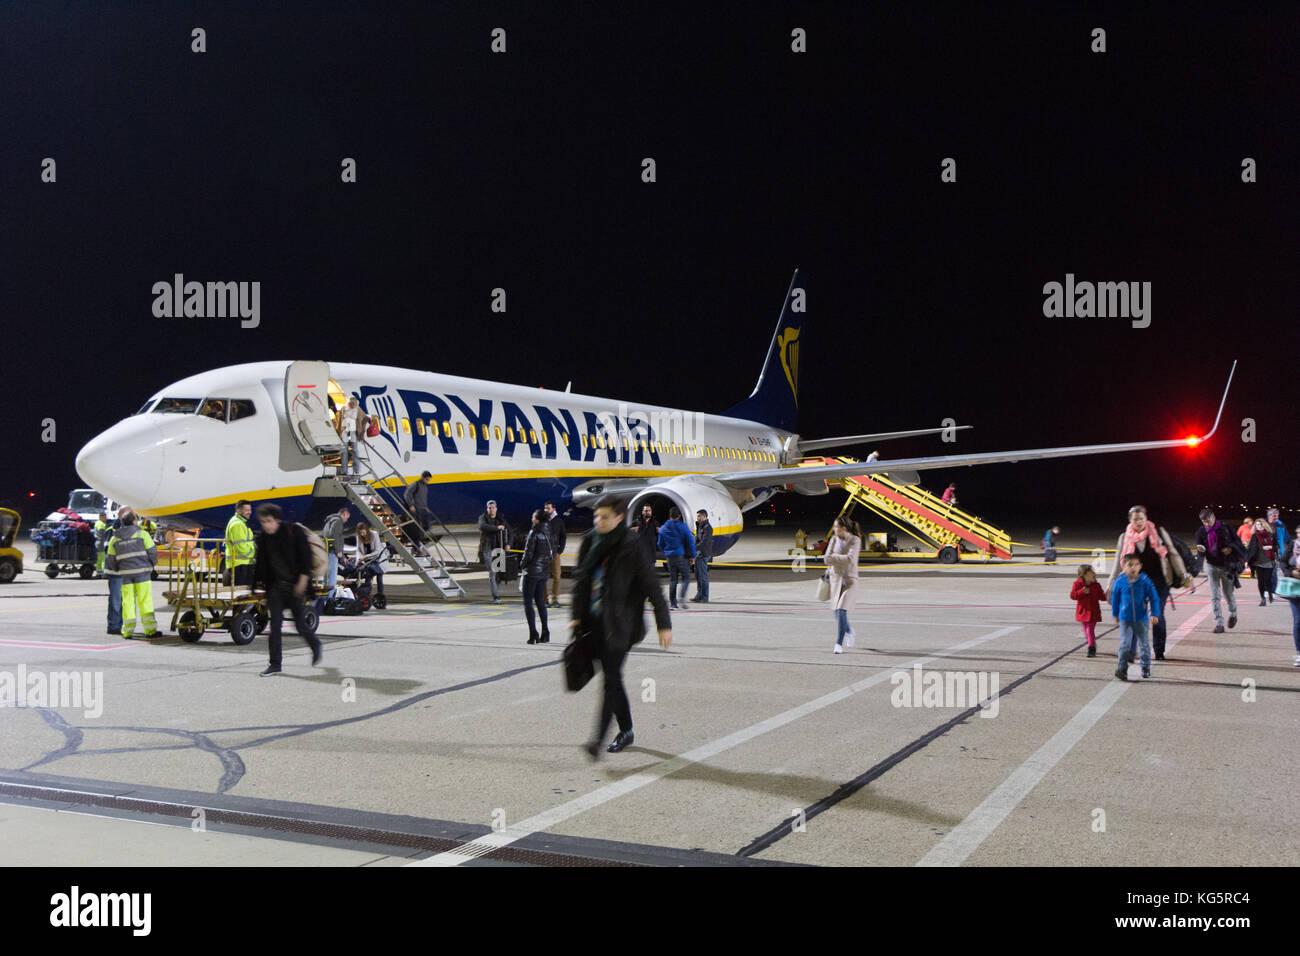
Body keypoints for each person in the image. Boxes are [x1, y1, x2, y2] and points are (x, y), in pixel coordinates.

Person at [569, 496, 672, 757]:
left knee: (610, 680)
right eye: (596, 516)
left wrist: (664, 624)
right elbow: (581, 582)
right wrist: (576, 616)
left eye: (604, 517)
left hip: (621, 624)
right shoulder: (590, 541)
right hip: (594, 622)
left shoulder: (631, 545)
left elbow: (652, 586)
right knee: (612, 680)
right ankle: (626, 729)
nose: (598, 521)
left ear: (618, 518)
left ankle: (597, 740)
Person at [1105, 505, 1187, 661]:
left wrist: (1183, 574)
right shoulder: (1125, 537)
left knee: (1158, 615)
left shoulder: (1158, 533)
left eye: (1141, 518)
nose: (1139, 522)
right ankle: (1131, 651)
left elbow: (1173, 553)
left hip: (1159, 581)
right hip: (1135, 583)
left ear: (1146, 518)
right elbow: (1118, 562)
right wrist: (1111, 582)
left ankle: (1159, 650)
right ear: (1130, 520)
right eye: (1135, 519)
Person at [252, 503, 322, 676]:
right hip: (275, 588)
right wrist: (255, 586)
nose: (266, 525)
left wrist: (303, 580)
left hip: (294, 586)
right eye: (263, 522)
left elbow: (305, 557)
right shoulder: (263, 539)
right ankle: (275, 664)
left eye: (269, 521)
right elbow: (260, 564)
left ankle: (315, 645)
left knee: (299, 625)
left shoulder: (293, 532)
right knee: (275, 626)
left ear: (277, 520)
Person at [105, 507, 158, 638]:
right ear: (134, 521)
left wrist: (118, 569)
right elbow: (152, 552)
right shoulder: (142, 534)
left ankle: (127, 631)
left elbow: (110, 558)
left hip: (126, 575)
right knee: (145, 601)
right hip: (142, 573)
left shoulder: (115, 538)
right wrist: (151, 564)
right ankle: (150, 630)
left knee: (128, 602)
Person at [1111, 552, 1161, 680]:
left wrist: (1155, 613)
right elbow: (1115, 598)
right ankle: (1122, 668)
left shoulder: (1145, 581)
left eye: (1136, 565)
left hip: (1141, 619)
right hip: (1125, 619)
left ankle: (1145, 667)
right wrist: (1115, 613)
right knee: (1124, 645)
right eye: (1130, 565)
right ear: (1123, 566)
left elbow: (1154, 598)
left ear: (1140, 566)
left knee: (1143, 644)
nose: (1133, 568)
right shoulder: (1120, 582)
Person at [1194, 509, 1245, 634]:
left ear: (1214, 517)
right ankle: (1219, 624)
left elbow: (1238, 543)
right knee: (1215, 595)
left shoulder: (1226, 528)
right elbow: (1200, 549)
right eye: (1204, 522)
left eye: (1208, 521)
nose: (1207, 524)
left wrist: (1230, 549)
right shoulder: (1200, 532)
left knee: (1228, 594)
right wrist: (1200, 551)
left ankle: (1233, 614)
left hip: (1227, 566)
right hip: (1211, 566)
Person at [824, 516, 861, 654]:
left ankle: (838, 644)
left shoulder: (855, 540)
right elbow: (826, 559)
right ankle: (849, 631)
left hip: (850, 581)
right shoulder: (833, 540)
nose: (834, 530)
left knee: (841, 609)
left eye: (836, 527)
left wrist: (834, 558)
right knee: (836, 612)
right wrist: (837, 559)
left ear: (843, 529)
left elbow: (851, 560)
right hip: (836, 580)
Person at [520, 509, 554, 644]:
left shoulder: (534, 532)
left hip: (533, 571)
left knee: (528, 602)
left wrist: (522, 565)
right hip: (544, 571)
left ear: (537, 520)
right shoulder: (548, 531)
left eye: (533, 517)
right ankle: (546, 631)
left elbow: (528, 553)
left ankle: (533, 632)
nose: (531, 518)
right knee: (540, 601)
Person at [657, 507, 696, 610]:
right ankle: (682, 597)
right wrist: (693, 556)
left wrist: (666, 552)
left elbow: (660, 544)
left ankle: (673, 604)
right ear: (679, 516)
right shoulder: (683, 527)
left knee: (673, 580)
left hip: (669, 557)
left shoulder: (664, 528)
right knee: (686, 578)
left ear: (669, 515)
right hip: (681, 556)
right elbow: (690, 541)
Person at [1070, 564, 1107, 658]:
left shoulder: (1096, 585)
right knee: (1086, 630)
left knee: (1089, 629)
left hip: (1093, 611)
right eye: (1091, 571)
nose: (1094, 573)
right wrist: (1082, 592)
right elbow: (1073, 596)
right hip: (1083, 611)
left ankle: (1091, 648)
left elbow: (1102, 597)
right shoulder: (1078, 584)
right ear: (1084, 575)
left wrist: (1110, 594)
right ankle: (1092, 642)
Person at [477, 500, 510, 602]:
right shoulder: (483, 518)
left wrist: (508, 543)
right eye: (489, 508)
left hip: (498, 548)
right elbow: (483, 526)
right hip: (487, 548)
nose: (491, 509)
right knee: (492, 572)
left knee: (499, 573)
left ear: (496, 508)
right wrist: (497, 528)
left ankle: (496, 591)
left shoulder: (501, 518)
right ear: (487, 509)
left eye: (493, 507)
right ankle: (496, 596)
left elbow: (508, 530)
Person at [224, 500, 256, 589]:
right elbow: (242, 549)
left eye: (250, 510)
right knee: (240, 594)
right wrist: (255, 553)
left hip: (242, 564)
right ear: (238, 511)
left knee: (244, 594)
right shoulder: (237, 524)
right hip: (239, 565)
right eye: (247, 510)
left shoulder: (240, 522)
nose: (249, 512)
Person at [1245, 517, 1277, 606]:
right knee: (1260, 581)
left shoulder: (1270, 535)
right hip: (1258, 561)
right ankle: (1263, 598)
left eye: (1261, 524)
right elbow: (1250, 549)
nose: (1259, 526)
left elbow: (1276, 546)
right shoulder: (1254, 536)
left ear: (1264, 525)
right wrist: (1247, 559)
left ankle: (1270, 594)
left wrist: (1271, 547)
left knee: (1268, 580)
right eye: (1257, 524)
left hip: (1269, 561)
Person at [354, 522, 387, 602]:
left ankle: (380, 595)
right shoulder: (358, 537)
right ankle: (365, 596)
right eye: (360, 533)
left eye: (363, 532)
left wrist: (365, 557)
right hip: (368, 560)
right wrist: (358, 559)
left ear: (367, 530)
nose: (362, 534)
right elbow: (358, 550)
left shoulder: (374, 535)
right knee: (368, 577)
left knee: (379, 576)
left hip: (377, 559)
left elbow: (378, 551)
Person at [543, 501, 567, 608]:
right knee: (543, 577)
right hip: (543, 553)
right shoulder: (543, 520)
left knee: (557, 576)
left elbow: (563, 536)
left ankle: (555, 599)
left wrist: (560, 550)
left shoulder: (559, 521)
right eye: (545, 508)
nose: (546, 510)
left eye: (548, 508)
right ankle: (544, 600)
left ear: (553, 509)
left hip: (555, 553)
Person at [403, 471, 435, 549]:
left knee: (427, 525)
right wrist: (410, 505)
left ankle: (417, 539)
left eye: (429, 480)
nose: (428, 481)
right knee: (417, 527)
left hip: (423, 508)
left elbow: (423, 498)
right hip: (416, 509)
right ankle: (416, 542)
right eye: (427, 479)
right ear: (423, 477)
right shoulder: (415, 484)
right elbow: (406, 495)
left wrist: (426, 507)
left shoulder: (425, 486)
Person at [322, 504, 350, 591]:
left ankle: (324, 598)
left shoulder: (330, 520)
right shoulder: (338, 521)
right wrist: (338, 551)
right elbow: (334, 535)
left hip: (327, 550)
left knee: (326, 576)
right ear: (344, 514)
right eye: (347, 517)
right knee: (332, 576)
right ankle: (330, 598)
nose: (346, 520)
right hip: (332, 551)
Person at [691, 509, 713, 603]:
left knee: (703, 577)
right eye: (697, 516)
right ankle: (699, 595)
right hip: (698, 554)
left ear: (704, 517)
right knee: (697, 575)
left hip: (703, 554)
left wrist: (694, 548)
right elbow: (697, 539)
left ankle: (705, 597)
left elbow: (704, 542)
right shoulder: (700, 526)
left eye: (699, 516)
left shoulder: (707, 528)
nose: (698, 518)